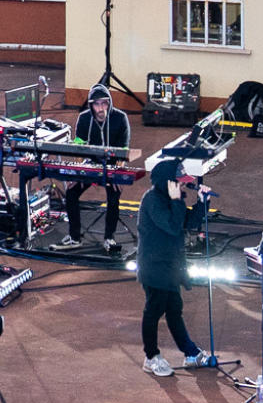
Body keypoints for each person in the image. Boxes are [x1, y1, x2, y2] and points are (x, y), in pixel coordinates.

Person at [136, 153, 218, 377]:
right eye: (179, 182)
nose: (183, 186)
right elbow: (172, 226)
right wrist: (176, 201)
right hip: (154, 267)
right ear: (167, 182)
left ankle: (190, 353)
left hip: (170, 266)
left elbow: (187, 223)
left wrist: (202, 203)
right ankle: (151, 357)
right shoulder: (152, 200)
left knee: (174, 310)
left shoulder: (172, 199)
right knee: (154, 310)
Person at [59, 85, 133, 245]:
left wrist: (117, 174)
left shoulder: (121, 118)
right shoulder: (84, 118)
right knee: (71, 193)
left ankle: (109, 238)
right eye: (97, 104)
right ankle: (74, 237)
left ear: (109, 103)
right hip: (90, 165)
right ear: (91, 105)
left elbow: (124, 150)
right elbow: (79, 147)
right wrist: (78, 172)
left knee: (113, 196)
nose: (101, 108)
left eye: (104, 103)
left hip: (112, 167)